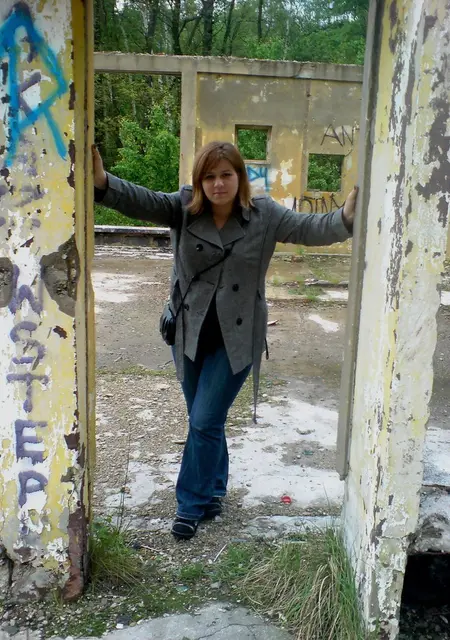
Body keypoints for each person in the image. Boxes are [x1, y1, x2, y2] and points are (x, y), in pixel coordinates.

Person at [92, 141, 358, 541]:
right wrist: (102, 181)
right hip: (189, 332)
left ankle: (190, 504)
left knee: (203, 420)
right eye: (210, 176)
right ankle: (215, 489)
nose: (218, 184)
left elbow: (307, 227)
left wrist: (345, 218)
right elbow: (142, 201)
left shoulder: (264, 215)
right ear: (200, 181)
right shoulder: (184, 207)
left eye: (226, 175)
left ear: (240, 177)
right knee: (206, 419)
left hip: (237, 337)